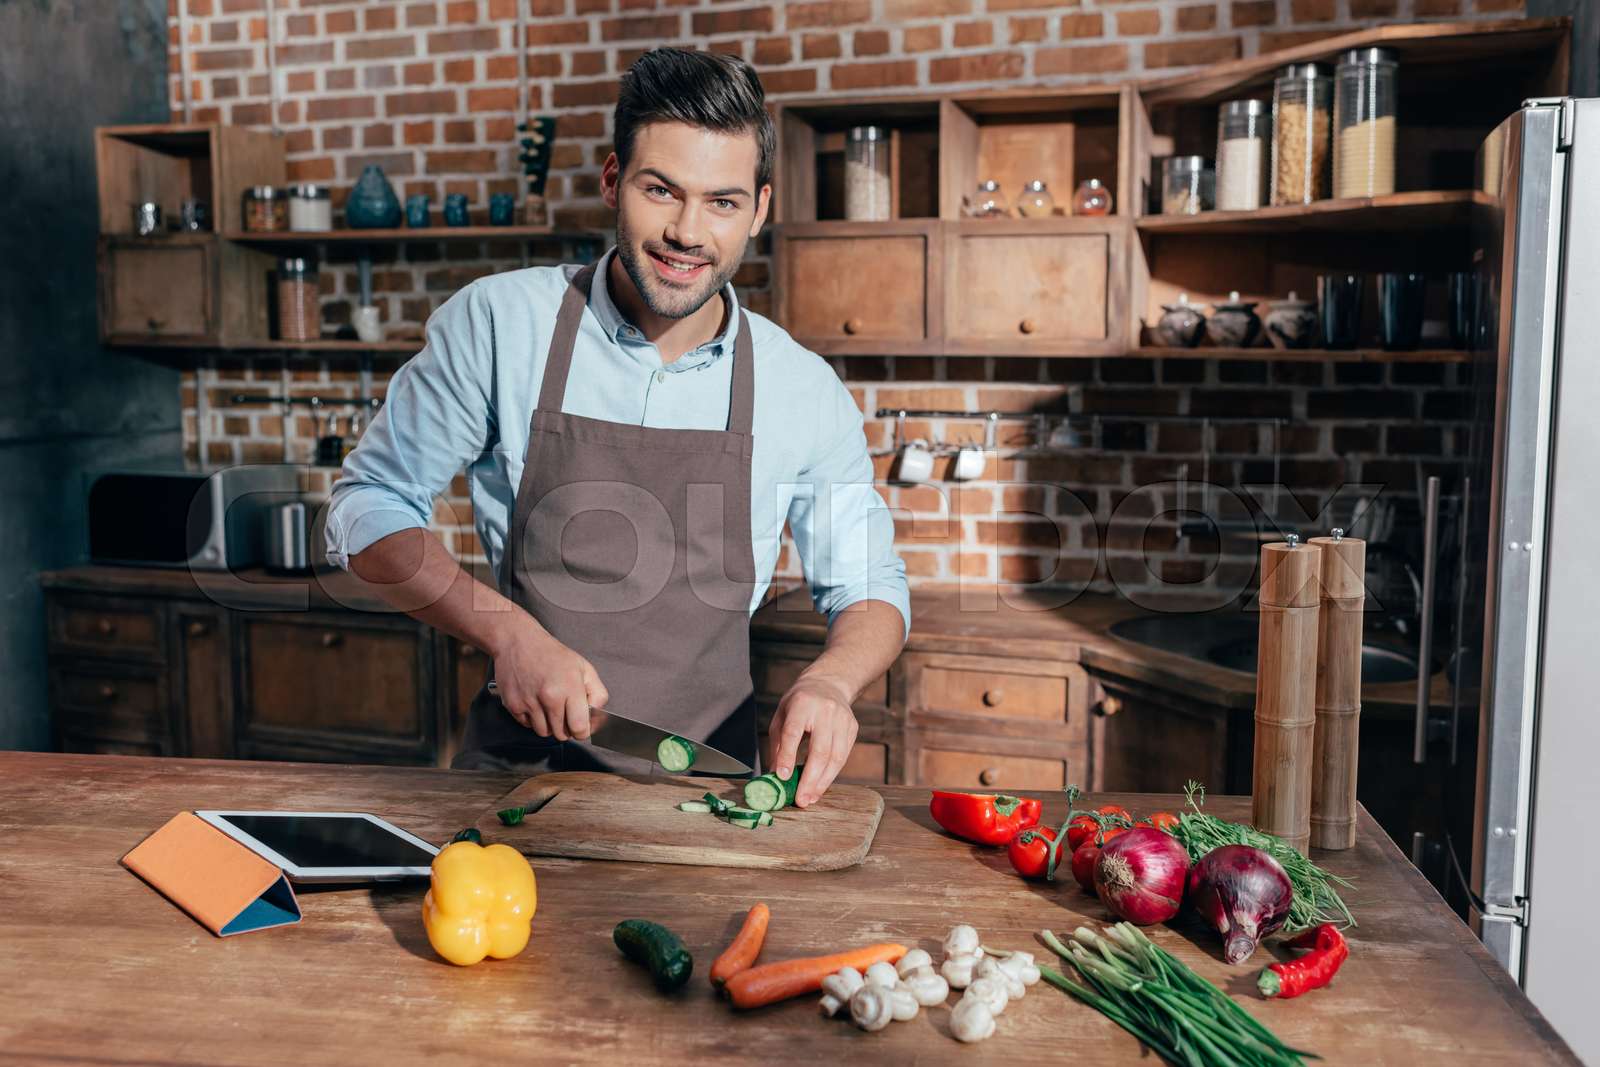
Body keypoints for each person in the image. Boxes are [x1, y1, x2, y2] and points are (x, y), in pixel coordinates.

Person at [324, 48, 908, 807]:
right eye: (661, 190)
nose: (687, 233)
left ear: (760, 209)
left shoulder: (802, 388)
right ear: (612, 181)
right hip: (518, 784)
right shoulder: (501, 324)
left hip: (709, 792)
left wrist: (832, 681)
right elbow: (366, 506)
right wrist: (510, 635)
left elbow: (870, 586)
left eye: (723, 203)